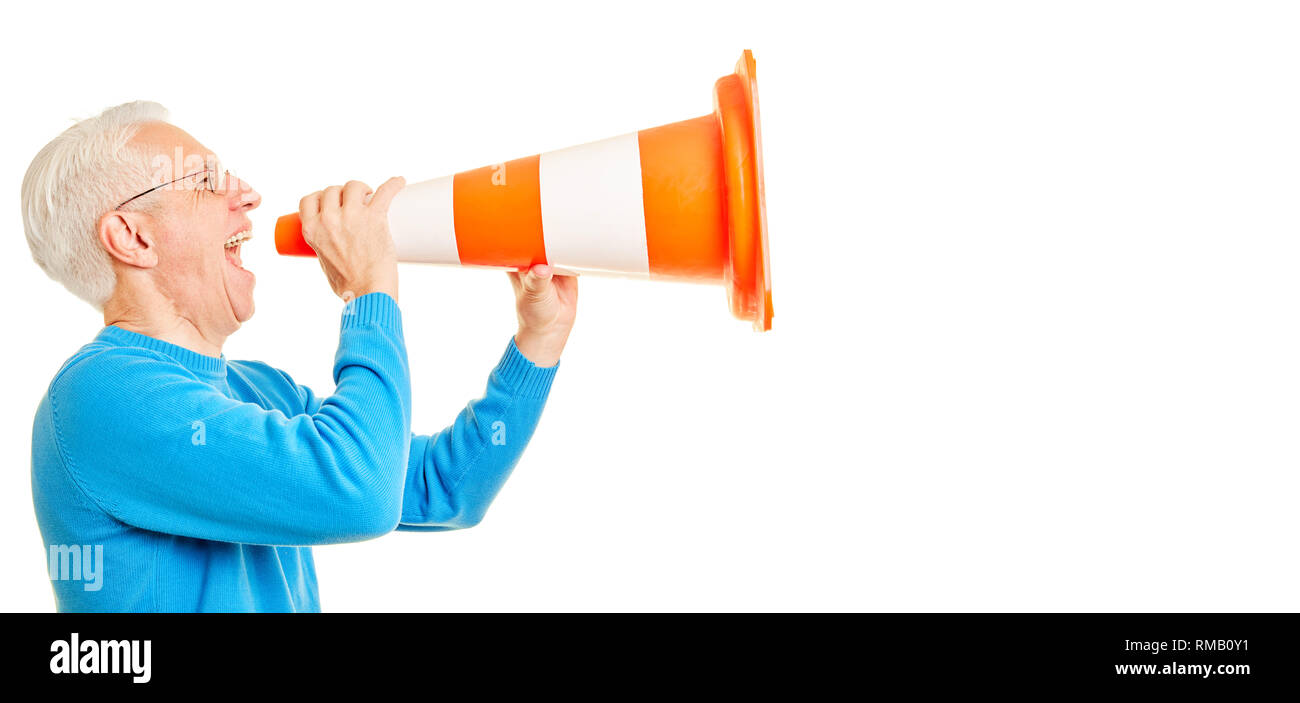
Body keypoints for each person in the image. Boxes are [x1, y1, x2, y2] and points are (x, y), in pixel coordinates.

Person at [22, 101, 577, 612]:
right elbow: (361, 491)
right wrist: (369, 290)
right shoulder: (98, 395)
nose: (248, 194)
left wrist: (538, 341)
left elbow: (446, 489)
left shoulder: (262, 391)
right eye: (207, 182)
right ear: (133, 237)